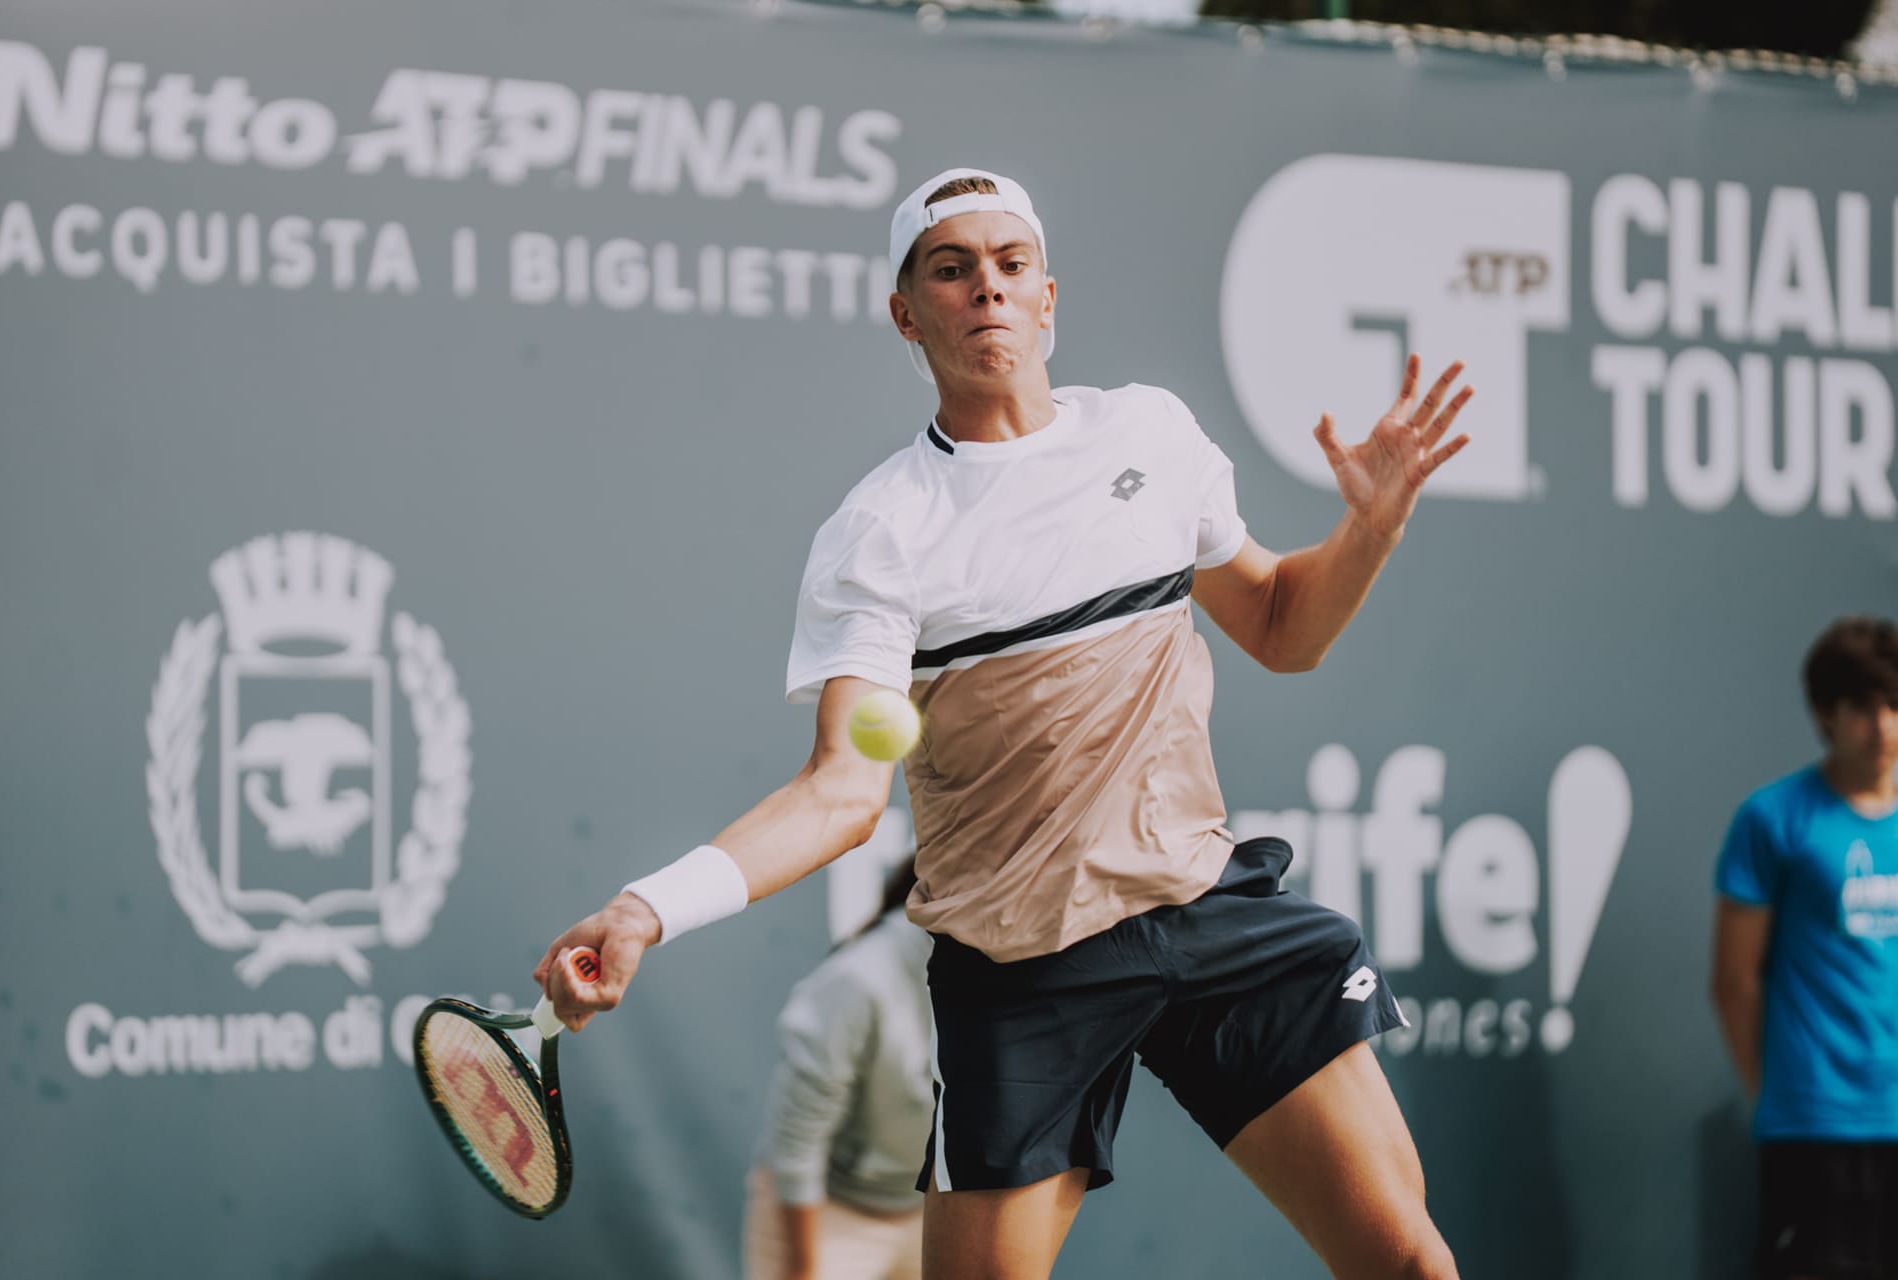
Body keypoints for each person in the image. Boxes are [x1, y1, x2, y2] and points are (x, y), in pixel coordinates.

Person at [537, 166, 1469, 1278]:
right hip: (1026, 967)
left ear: (1048, 298)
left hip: (1204, 904)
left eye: (1011, 263)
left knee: (1410, 1261)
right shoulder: (881, 531)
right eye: (952, 267)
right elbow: (841, 790)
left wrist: (1366, 530)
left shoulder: (1153, 435)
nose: (987, 287)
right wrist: (648, 906)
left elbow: (1281, 624)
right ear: (905, 312)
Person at [1712, 616, 1898, 1280]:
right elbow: (1734, 983)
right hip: (1813, 1124)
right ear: (1825, 714)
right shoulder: (1774, 819)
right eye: (1862, 708)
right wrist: (1778, 1092)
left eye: (1895, 705)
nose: (1882, 727)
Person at [742, 858, 932, 1280]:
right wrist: (803, 1267)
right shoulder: (857, 981)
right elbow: (797, 1147)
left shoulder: (1019, 978)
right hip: (824, 1210)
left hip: (927, 1213)